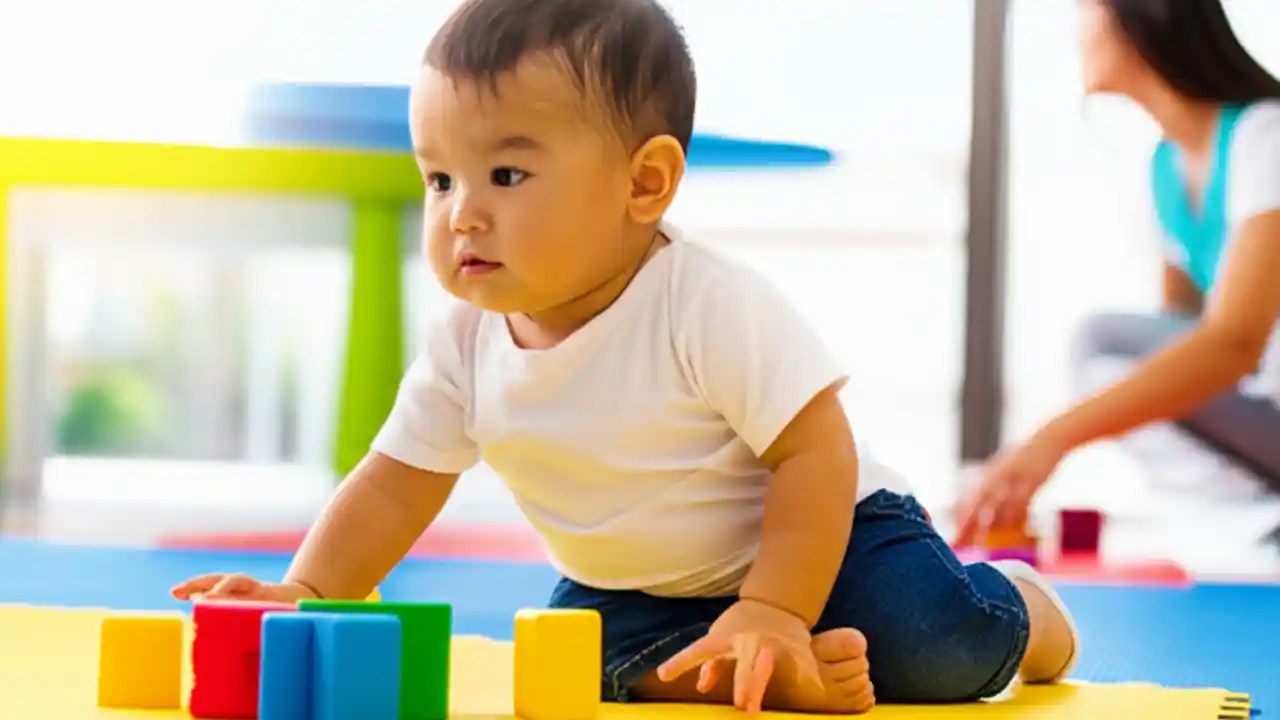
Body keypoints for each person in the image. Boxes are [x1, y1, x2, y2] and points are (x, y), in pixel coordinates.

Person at [171, 0, 1077, 712]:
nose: (460, 214)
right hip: (637, 586)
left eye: (506, 176)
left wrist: (771, 607)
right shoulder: (465, 342)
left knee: (929, 644)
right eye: (439, 177)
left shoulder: (702, 303)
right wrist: (309, 589)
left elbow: (815, 450)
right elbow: (396, 479)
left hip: (833, 540)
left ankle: (1019, 610)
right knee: (569, 657)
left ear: (644, 183)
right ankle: (758, 677)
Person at [957, 0, 1280, 545]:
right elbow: (1180, 333)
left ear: (1140, 20)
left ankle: (1247, 514)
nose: (1077, 38)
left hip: (1264, 391)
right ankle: (1235, 514)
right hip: (1262, 408)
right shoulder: (1165, 166)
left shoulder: (1264, 136)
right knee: (1107, 348)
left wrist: (1049, 441)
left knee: (1101, 339)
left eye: (1088, 16)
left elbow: (1232, 344)